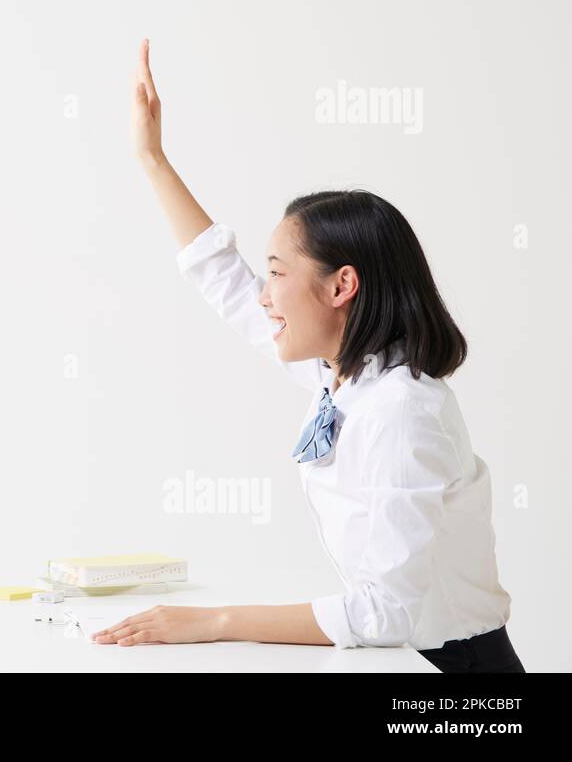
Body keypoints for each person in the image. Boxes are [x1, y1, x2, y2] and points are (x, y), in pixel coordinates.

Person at [91, 40, 524, 673]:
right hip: (407, 661)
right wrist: (152, 159)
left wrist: (212, 622)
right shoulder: (346, 378)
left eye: (276, 274)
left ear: (341, 286)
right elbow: (228, 288)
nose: (264, 296)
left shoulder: (403, 410)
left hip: (459, 680)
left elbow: (383, 615)